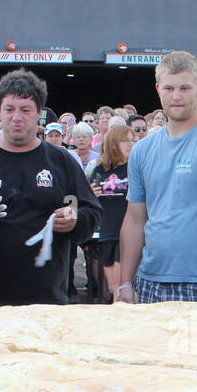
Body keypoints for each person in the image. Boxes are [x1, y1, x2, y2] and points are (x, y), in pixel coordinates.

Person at [117, 50, 197, 308]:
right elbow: (134, 219)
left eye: (185, 88)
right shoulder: (142, 149)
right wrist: (125, 282)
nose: (176, 96)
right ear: (158, 89)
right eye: (169, 88)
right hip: (148, 280)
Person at [0, 69, 99, 306]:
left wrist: (73, 219)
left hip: (48, 297)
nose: (17, 117)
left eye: (25, 110)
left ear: (39, 114)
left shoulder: (61, 160)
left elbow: (91, 211)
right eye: (9, 109)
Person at [87, 124, 133, 303]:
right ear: (114, 143)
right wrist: (91, 194)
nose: (131, 144)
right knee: (114, 290)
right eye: (126, 140)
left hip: (129, 232)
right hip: (107, 231)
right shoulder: (99, 170)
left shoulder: (134, 167)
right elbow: (87, 199)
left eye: (132, 140)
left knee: (125, 287)